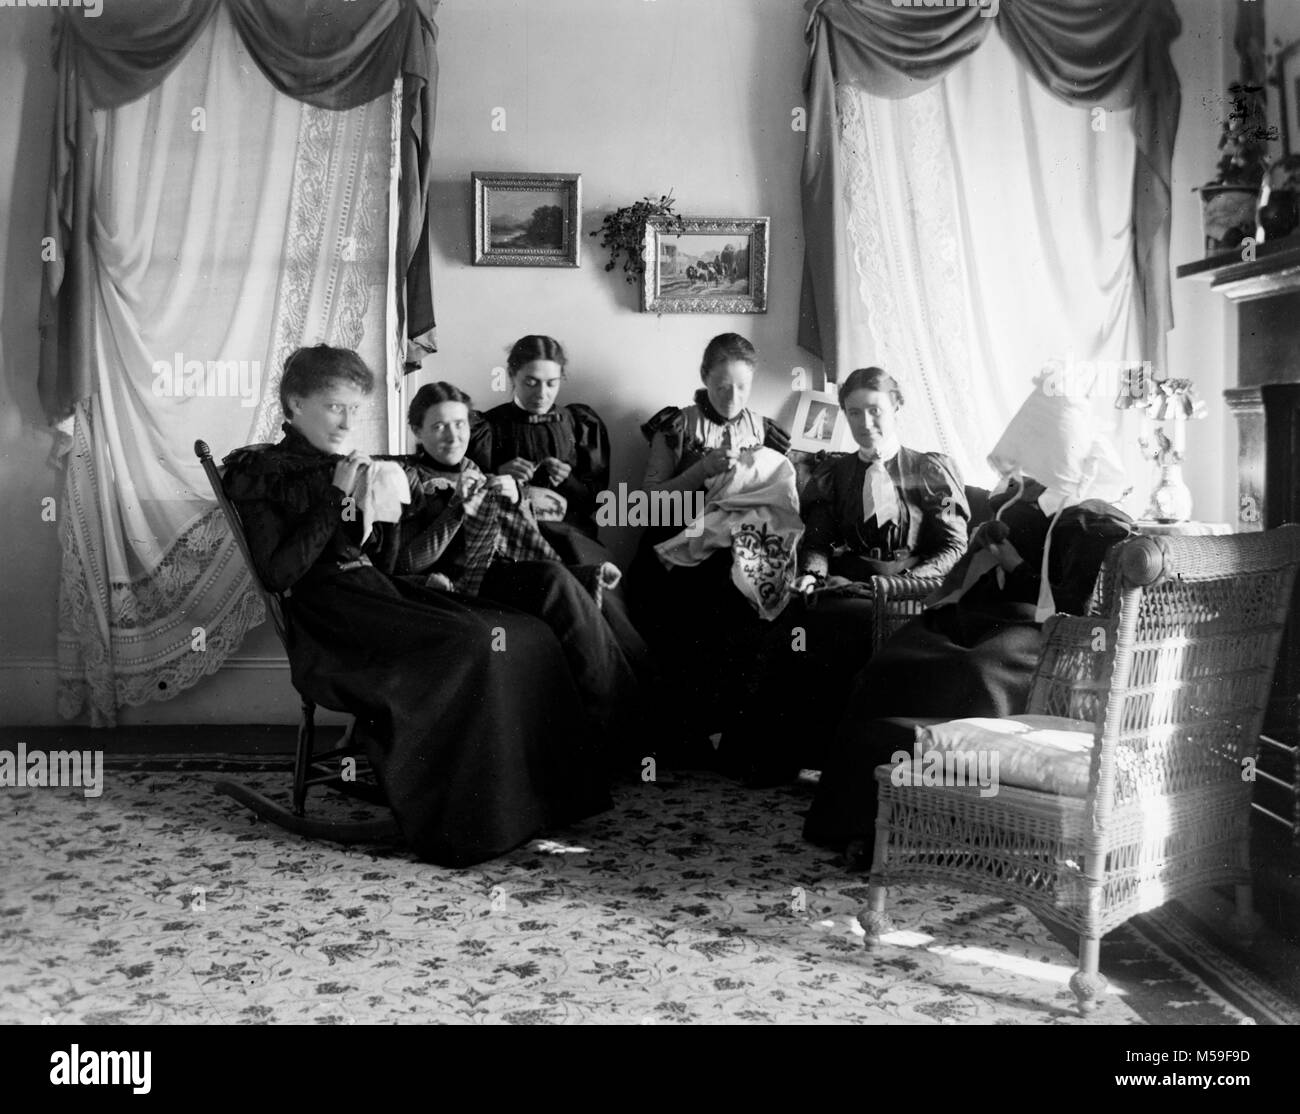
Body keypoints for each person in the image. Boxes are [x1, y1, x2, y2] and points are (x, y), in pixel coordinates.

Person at [221, 345, 608, 868]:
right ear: (293, 404)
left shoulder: (348, 466)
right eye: (335, 406)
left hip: (378, 593)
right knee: (473, 643)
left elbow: (383, 558)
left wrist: (381, 510)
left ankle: (537, 800)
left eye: (355, 409)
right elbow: (279, 573)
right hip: (331, 616)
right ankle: (466, 815)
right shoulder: (260, 470)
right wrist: (337, 499)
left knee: (525, 631)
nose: (347, 421)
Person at [803, 378, 1135, 860]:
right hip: (984, 612)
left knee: (963, 674)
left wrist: (1011, 564)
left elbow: (1072, 609)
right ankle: (863, 818)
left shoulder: (1091, 520)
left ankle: (931, 826)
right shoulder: (1020, 496)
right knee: (894, 662)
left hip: (1037, 635)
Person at [727, 367, 969, 785]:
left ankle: (846, 770)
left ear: (896, 407)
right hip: (849, 584)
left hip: (911, 591)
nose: (865, 423)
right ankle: (778, 759)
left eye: (874, 411)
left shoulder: (927, 469)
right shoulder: (835, 474)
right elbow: (818, 543)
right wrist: (812, 575)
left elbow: (953, 548)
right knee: (795, 622)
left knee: (838, 627)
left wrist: (906, 585)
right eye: (854, 413)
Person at [401, 381, 644, 757]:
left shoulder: (478, 473)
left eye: (460, 424)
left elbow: (522, 542)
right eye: (438, 426)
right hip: (455, 589)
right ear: (416, 431)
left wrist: (518, 504)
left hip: (501, 575)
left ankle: (621, 718)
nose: (453, 436)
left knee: (593, 582)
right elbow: (408, 563)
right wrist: (455, 512)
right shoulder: (409, 480)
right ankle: (626, 725)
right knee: (554, 579)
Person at [627, 333, 791, 756]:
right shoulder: (677, 426)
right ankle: (688, 735)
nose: (732, 397)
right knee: (705, 600)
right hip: (676, 539)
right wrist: (700, 470)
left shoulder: (764, 429)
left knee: (757, 596)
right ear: (704, 378)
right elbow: (647, 506)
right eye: (721, 387)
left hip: (738, 538)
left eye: (742, 387)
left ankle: (736, 735)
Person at [467, 335, 613, 568]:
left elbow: (595, 502)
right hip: (506, 538)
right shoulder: (487, 426)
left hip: (570, 538)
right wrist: (497, 474)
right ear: (512, 375)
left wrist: (568, 480)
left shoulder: (579, 423)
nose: (542, 393)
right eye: (531, 382)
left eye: (551, 383)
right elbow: (466, 495)